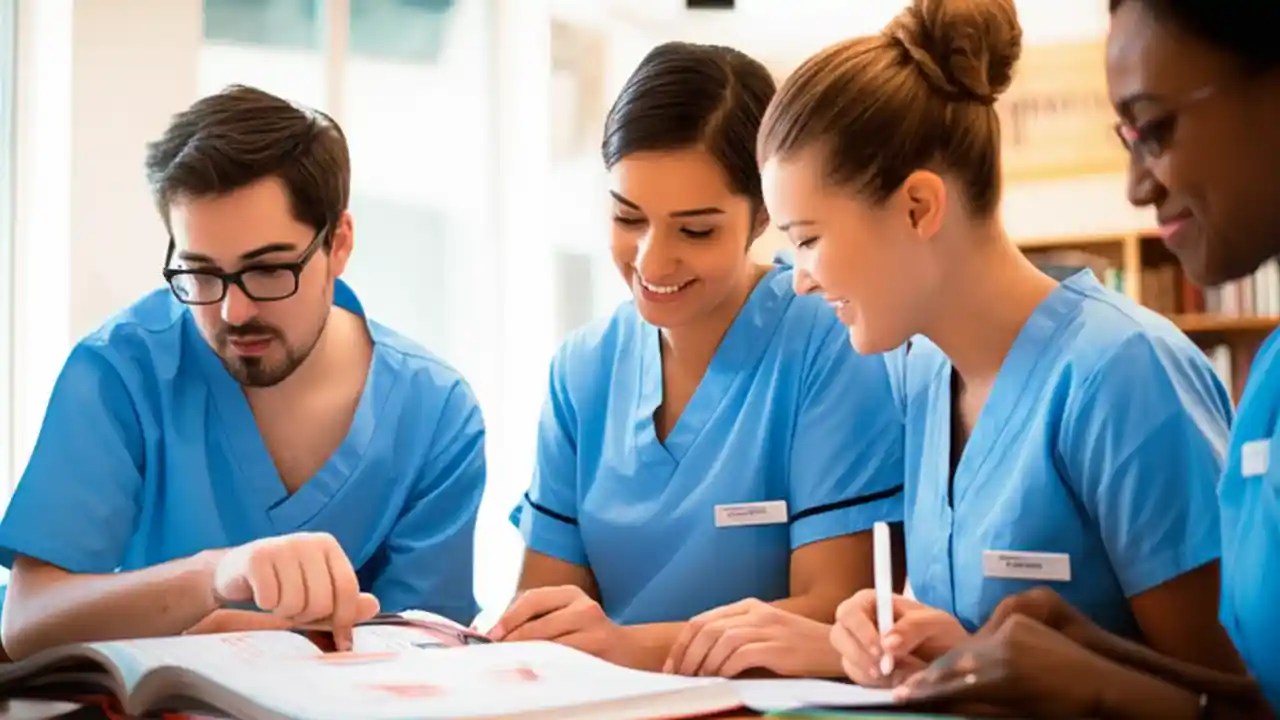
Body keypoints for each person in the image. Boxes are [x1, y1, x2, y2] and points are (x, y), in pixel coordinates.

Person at [746, 0, 1244, 687]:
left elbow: (1235, 696)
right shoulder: (922, 375)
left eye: (807, 239)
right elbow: (995, 644)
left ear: (919, 206)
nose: (799, 279)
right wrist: (931, 642)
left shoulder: (1122, 375)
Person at [0, 85, 486, 660]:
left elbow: (430, 644)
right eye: (201, 273)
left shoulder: (436, 412)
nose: (234, 312)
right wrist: (214, 576)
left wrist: (280, 644)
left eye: (268, 269)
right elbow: (26, 621)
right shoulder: (118, 372)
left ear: (339, 244)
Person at [893, 0, 1280, 717]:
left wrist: (1103, 687)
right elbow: (1251, 698)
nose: (1135, 185)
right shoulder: (1269, 387)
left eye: (1156, 128)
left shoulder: (1123, 365)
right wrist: (1097, 656)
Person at [488, 41, 907, 676]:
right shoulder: (583, 371)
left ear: (765, 213)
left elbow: (836, 615)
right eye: (629, 218)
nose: (652, 263)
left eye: (696, 230)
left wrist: (630, 647)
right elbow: (544, 613)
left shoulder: (831, 345)